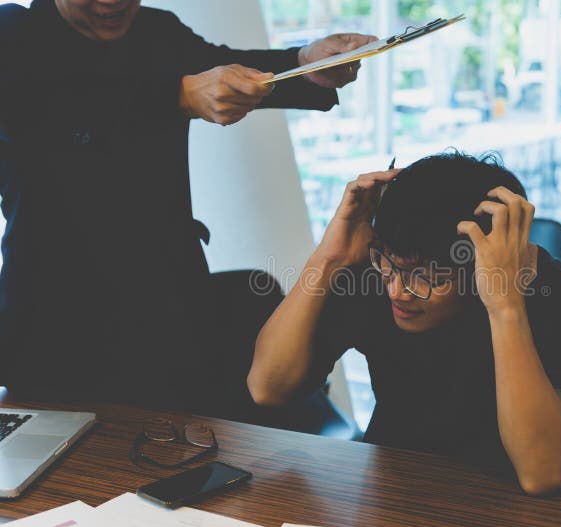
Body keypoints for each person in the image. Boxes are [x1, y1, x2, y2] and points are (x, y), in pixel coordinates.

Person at [0, 0, 374, 412]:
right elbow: (58, 101)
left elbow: (236, 73)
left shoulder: (158, 32)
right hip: (54, 324)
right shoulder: (13, 32)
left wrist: (306, 63)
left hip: (169, 312)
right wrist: (177, 94)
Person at [248, 152, 561, 494]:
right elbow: (267, 388)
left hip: (509, 510)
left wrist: (504, 305)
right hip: (393, 493)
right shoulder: (380, 274)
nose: (399, 291)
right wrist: (328, 258)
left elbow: (542, 472)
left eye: (427, 276)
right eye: (389, 264)